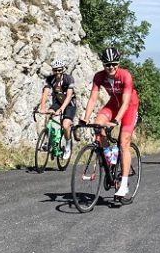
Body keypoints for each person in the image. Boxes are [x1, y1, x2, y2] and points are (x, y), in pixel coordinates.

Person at [79, 47, 139, 198]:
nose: (111, 67)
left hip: (129, 107)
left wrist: (116, 120)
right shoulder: (99, 76)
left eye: (114, 64)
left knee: (124, 141)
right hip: (113, 105)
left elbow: (125, 103)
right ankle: (110, 158)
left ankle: (124, 184)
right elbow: (93, 98)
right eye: (107, 64)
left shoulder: (125, 76)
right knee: (98, 125)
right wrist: (85, 118)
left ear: (118, 63)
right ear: (103, 64)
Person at [37, 59, 77, 159]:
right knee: (48, 114)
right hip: (57, 102)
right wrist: (42, 107)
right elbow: (45, 93)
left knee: (65, 124)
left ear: (63, 70)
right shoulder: (50, 79)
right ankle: (48, 141)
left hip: (69, 104)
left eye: (60, 70)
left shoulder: (68, 79)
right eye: (55, 70)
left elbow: (68, 96)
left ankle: (68, 144)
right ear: (53, 71)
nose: (58, 72)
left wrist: (61, 109)